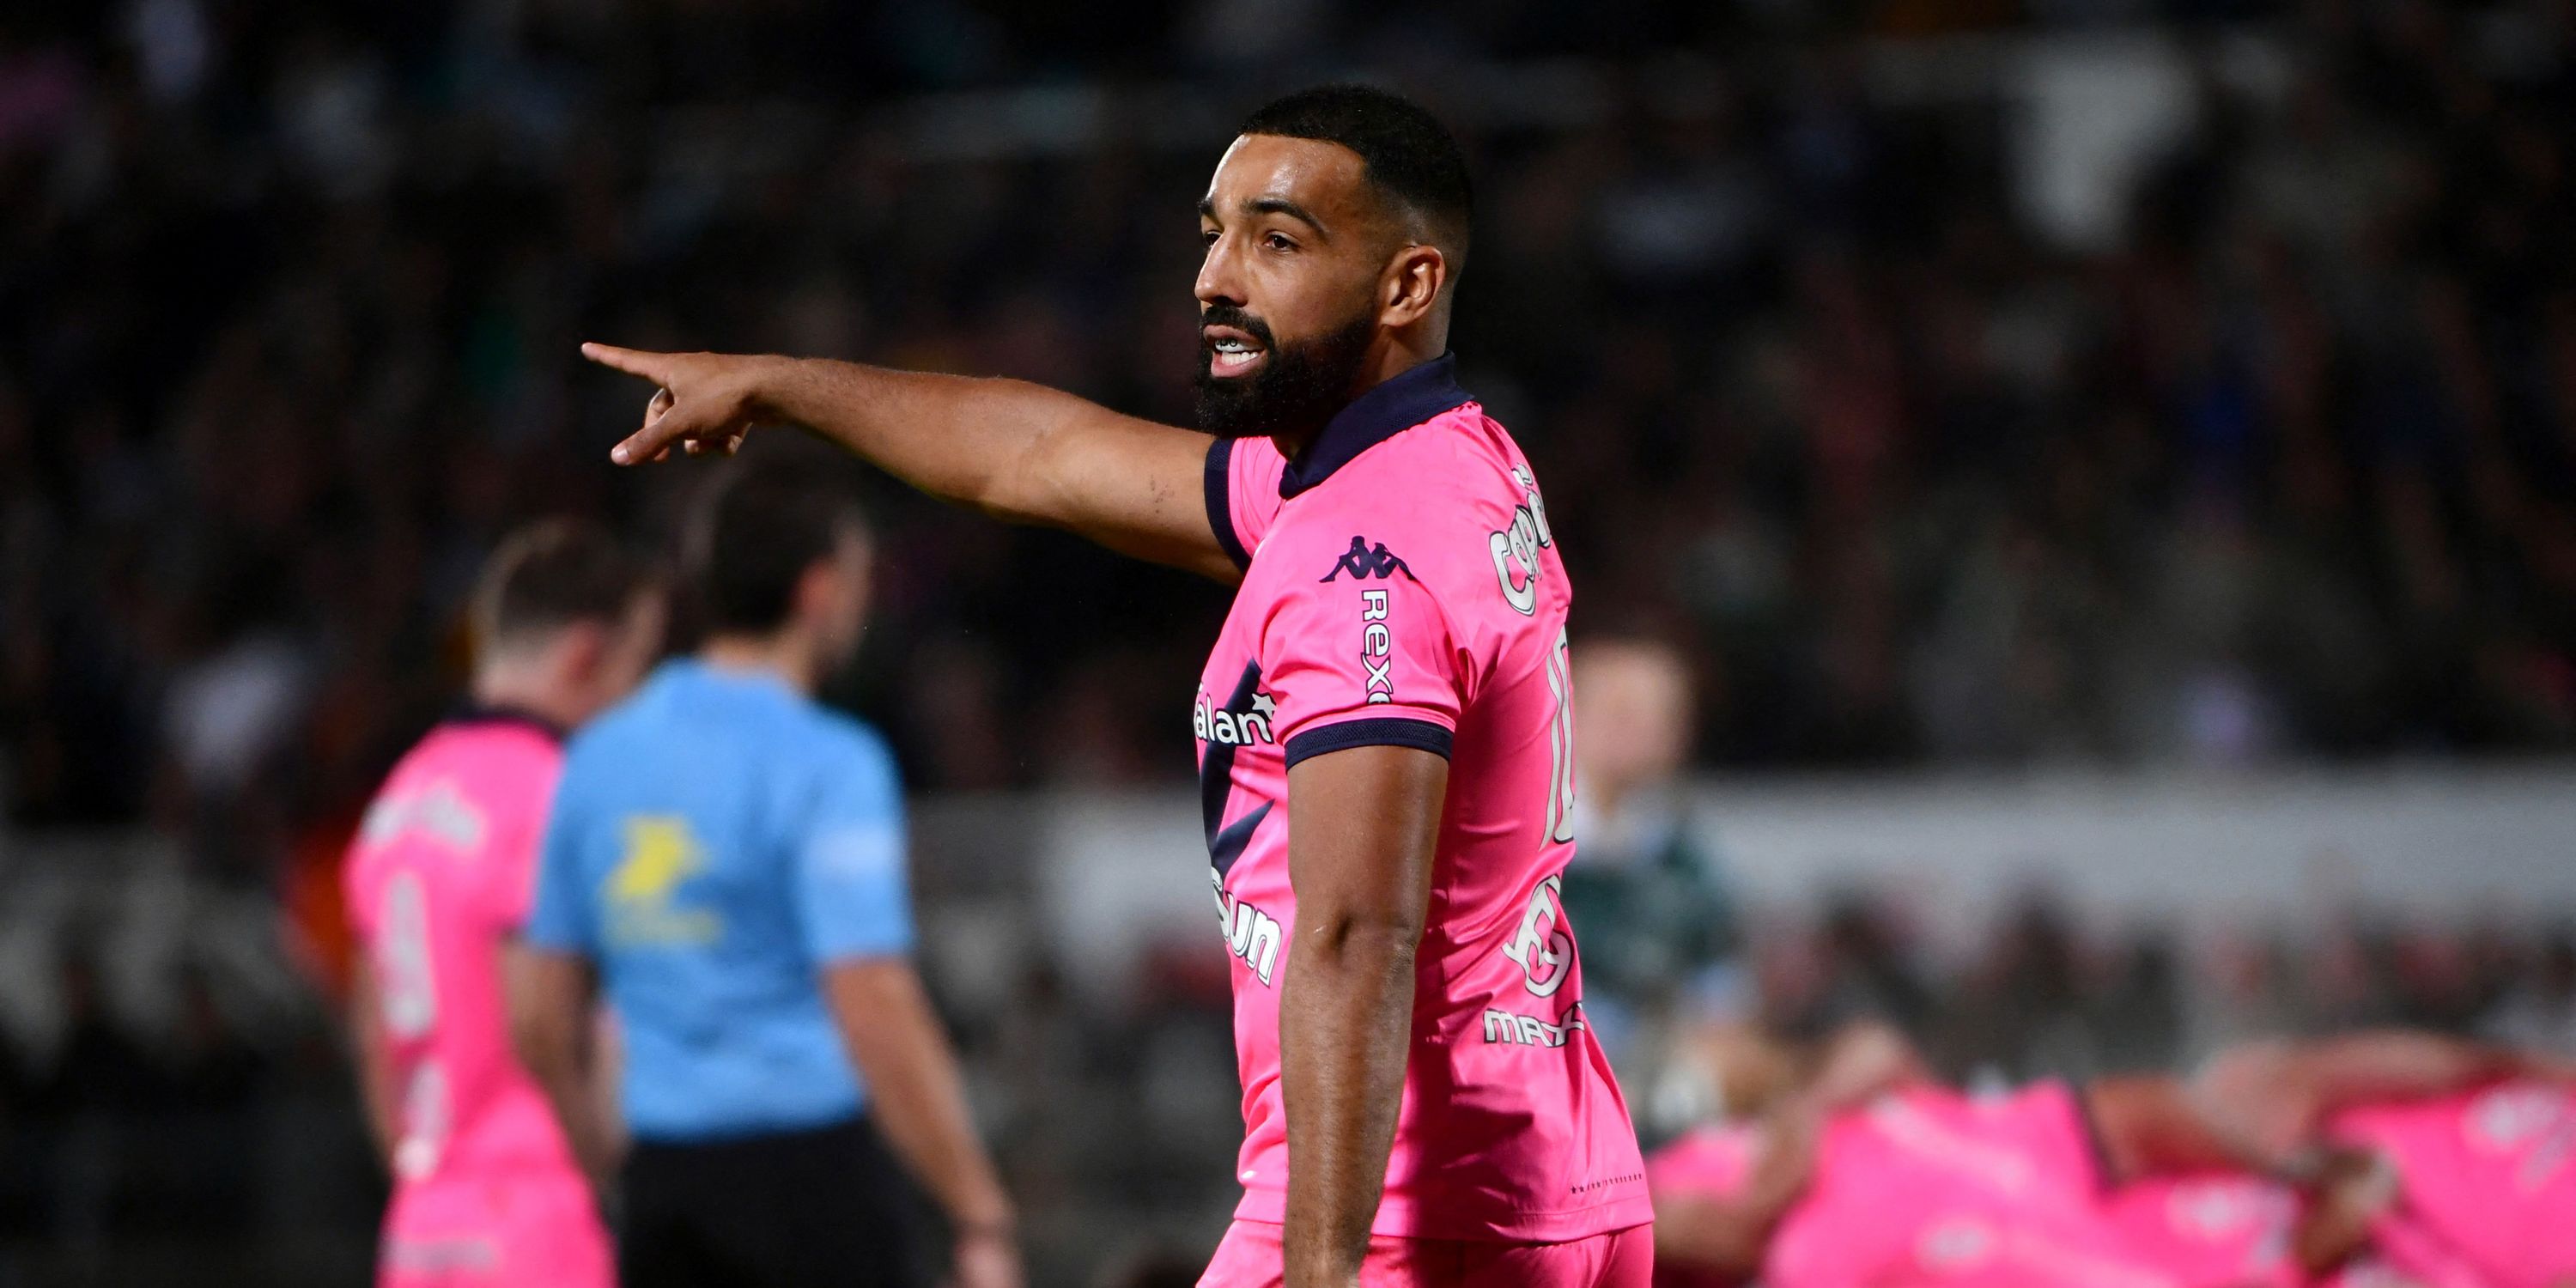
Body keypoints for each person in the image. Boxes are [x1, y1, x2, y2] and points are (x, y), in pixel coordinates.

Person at [581, 83, 1653, 1288]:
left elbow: (1359, 934)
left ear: (1406, 286)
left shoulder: (1373, 546)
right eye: (1216, 231)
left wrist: (1319, 1275)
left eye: (1279, 240)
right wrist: (781, 385)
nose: (1216, 278)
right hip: (1543, 1170)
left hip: (1421, 1205)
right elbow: (1044, 456)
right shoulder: (1431, 465)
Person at [509, 459, 1018, 1288]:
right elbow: (872, 999)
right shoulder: (828, 763)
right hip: (809, 1175)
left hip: (664, 1179)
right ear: (819, 593)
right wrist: (977, 1208)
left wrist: (602, 1162)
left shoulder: (599, 758)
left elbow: (539, 1015)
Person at [343, 519, 663, 1288]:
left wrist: (424, 1174)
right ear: (588, 655)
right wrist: (594, 1168)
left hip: (423, 1227)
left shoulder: (399, 797)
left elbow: (369, 1026)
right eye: (639, 669)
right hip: (534, 1218)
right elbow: (539, 1018)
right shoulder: (550, 793)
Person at [1558, 635, 1743, 1135]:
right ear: (1572, 712)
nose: (1647, 732)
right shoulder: (1530, 846)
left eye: (1666, 716)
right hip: (1554, 1070)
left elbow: (1718, 987)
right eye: (1623, 713)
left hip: (1665, 1079)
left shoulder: (1682, 857)